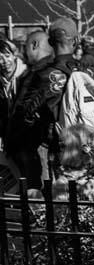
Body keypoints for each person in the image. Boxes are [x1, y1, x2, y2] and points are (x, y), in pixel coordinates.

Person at [9, 29, 67, 190]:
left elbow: (26, 110)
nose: (23, 52)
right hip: (39, 143)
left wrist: (19, 133)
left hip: (36, 144)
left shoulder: (41, 75)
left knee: (40, 192)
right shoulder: (47, 71)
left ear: (34, 45)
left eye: (25, 46)